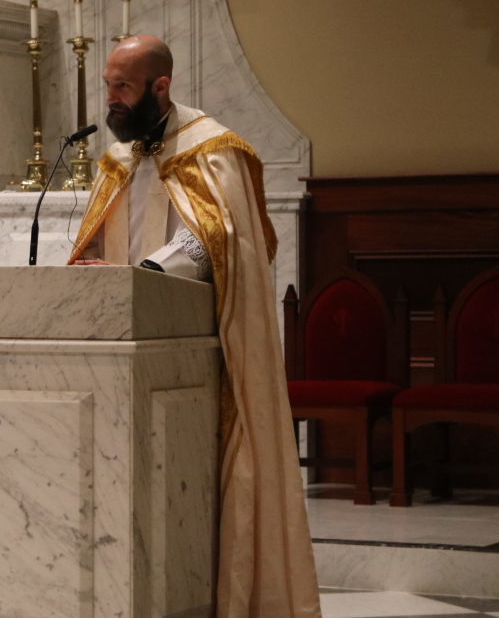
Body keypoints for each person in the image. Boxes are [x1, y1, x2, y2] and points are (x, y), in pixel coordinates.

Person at [69, 35, 321, 617]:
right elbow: (103, 243)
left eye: (122, 87)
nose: (110, 99)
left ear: (161, 86)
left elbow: (221, 241)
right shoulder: (118, 159)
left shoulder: (213, 149)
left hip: (200, 348)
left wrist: (151, 272)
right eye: (107, 85)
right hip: (127, 344)